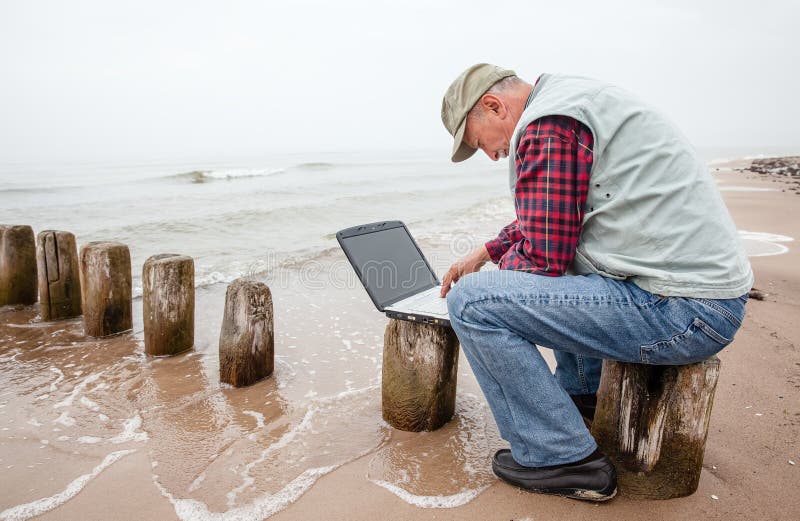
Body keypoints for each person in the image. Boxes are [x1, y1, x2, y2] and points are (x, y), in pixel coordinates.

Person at [439, 64, 753, 501]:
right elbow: (555, 216)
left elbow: (544, 257)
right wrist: (487, 252)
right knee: (531, 279)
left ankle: (561, 458)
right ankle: (583, 400)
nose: (493, 155)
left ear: (493, 106)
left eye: (480, 143)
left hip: (683, 311)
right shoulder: (569, 102)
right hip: (701, 298)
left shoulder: (547, 127)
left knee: (472, 304)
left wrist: (498, 287)